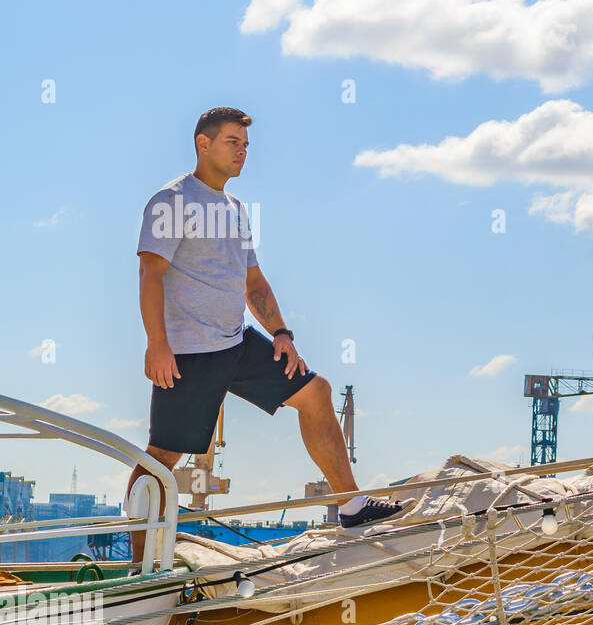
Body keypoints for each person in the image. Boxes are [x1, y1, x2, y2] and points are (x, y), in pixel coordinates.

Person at [126, 107, 409, 557]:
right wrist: (157, 344)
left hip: (237, 342)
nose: (242, 151)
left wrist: (281, 333)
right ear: (203, 144)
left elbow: (252, 282)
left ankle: (351, 506)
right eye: (232, 142)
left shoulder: (236, 209)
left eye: (245, 145)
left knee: (316, 392)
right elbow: (150, 274)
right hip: (189, 353)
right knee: (162, 457)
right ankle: (140, 567)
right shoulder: (172, 201)